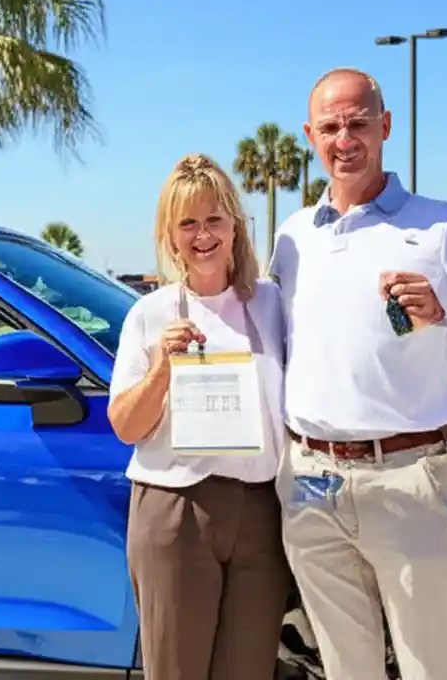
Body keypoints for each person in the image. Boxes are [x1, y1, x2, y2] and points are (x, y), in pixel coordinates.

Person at [267, 67, 447, 680]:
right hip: (311, 483)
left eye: (358, 123)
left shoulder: (443, 227)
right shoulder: (291, 239)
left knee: (429, 667)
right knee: (345, 669)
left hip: (408, 480)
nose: (345, 139)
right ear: (310, 135)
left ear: (386, 126)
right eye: (331, 126)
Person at [107, 153, 291, 679]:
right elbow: (125, 426)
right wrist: (162, 370)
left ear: (235, 224)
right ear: (170, 234)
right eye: (188, 222)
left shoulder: (274, 305)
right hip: (176, 511)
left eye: (214, 219)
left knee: (249, 670)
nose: (203, 234)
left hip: (261, 513)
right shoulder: (149, 313)